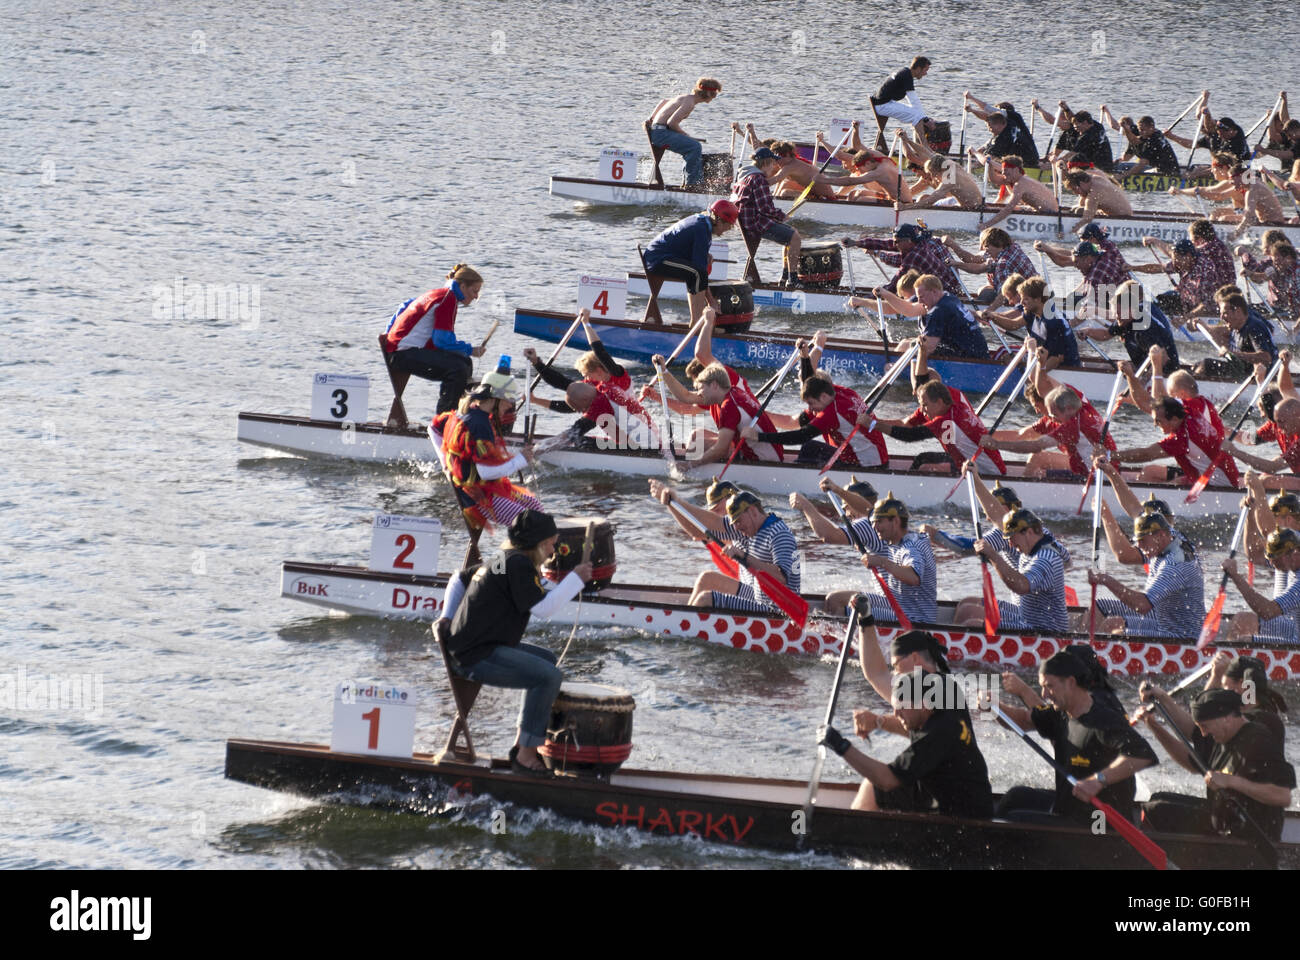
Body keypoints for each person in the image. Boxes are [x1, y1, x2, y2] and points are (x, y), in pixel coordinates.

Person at [438, 509, 593, 777]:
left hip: (471, 647)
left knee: (547, 661)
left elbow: (458, 579)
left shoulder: (503, 559)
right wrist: (576, 580)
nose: (554, 550)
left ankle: (522, 743)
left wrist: (446, 617)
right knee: (548, 677)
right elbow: (544, 609)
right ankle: (526, 755)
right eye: (552, 544)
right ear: (539, 543)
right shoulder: (518, 564)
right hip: (474, 656)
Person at [821, 620, 993, 818]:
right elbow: (880, 679)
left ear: (914, 659)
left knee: (877, 784)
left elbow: (888, 778)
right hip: (952, 785)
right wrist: (865, 623)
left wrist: (840, 745)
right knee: (874, 785)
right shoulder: (938, 689)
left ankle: (852, 839)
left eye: (895, 666)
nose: (893, 673)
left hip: (960, 812)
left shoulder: (938, 717)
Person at [997, 650, 1158, 824]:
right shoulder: (1060, 712)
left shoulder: (1102, 719)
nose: (1044, 695)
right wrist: (991, 707)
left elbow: (1143, 755)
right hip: (1069, 809)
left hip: (1099, 822)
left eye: (1049, 686)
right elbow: (1022, 720)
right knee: (1015, 796)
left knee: (1013, 821)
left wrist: (1099, 780)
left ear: (1071, 682)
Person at [1136, 688, 1293, 841]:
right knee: (1158, 798)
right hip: (1223, 817)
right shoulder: (1222, 736)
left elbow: (1283, 796)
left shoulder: (1258, 741)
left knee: (1157, 810)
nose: (1203, 734)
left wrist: (1232, 782)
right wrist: (1159, 706)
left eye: (1205, 726)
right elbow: (1190, 753)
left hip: (1249, 832)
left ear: (1226, 718)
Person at [649, 483, 800, 614]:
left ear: (753, 511)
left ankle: (684, 634)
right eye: (733, 522)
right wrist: (673, 504)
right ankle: (685, 623)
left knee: (705, 599)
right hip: (758, 595)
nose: (736, 527)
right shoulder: (748, 526)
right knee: (707, 579)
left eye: (738, 521)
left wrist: (744, 557)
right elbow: (699, 529)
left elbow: (781, 577)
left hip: (778, 609)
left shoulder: (779, 534)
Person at [790, 486, 936, 622]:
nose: (874, 527)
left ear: (896, 521)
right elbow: (868, 509)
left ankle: (847, 644)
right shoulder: (896, 536)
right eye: (873, 522)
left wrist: (881, 561)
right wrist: (836, 489)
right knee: (834, 599)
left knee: (853, 607)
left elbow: (913, 577)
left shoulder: (910, 547)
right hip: (895, 603)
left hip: (913, 617)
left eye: (878, 522)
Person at [524, 310, 658, 450]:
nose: (585, 379)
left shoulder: (618, 378)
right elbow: (563, 383)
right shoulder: (596, 388)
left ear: (598, 370)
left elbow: (601, 353)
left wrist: (586, 323)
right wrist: (536, 363)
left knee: (579, 440)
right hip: (627, 430)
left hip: (640, 438)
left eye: (586, 374)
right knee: (581, 436)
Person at [742, 343, 887, 467]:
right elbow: (793, 421)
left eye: (811, 403)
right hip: (873, 457)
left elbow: (801, 436)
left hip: (868, 465)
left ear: (823, 396)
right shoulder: (839, 392)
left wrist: (759, 436)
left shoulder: (832, 413)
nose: (810, 409)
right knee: (811, 449)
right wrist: (758, 412)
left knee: (809, 447)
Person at [433, 374, 542, 532]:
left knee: (534, 506)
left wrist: (446, 464)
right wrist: (521, 460)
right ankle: (519, 554)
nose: (509, 407)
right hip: (476, 496)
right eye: (507, 402)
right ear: (495, 399)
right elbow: (486, 473)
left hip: (477, 486)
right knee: (528, 522)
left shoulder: (467, 409)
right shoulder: (480, 424)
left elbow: (433, 428)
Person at [980, 350, 1113, 476]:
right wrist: (981, 434)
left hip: (1096, 473)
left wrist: (997, 445)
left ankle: (1020, 494)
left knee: (1037, 458)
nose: (1037, 411)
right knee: (1039, 462)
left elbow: (1036, 446)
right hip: (1086, 464)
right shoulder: (1067, 410)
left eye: (1036, 406)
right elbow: (1020, 435)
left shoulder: (1073, 421)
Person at [383, 264, 487, 415]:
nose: (476, 296)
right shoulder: (448, 298)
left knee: (464, 361)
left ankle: (457, 413)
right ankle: (444, 421)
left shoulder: (437, 293)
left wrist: (388, 335)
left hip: (397, 350)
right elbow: (441, 341)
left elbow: (403, 306)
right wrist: (471, 349)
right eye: (474, 291)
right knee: (457, 369)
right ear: (463, 286)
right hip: (402, 354)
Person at [954, 506, 1070, 633]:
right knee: (966, 606)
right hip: (1026, 615)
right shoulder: (1034, 545)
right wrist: (989, 556)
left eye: (1011, 537)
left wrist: (993, 555)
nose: (1010, 544)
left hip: (1045, 630)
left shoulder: (1046, 559)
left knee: (971, 624)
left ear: (1029, 532)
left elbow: (1021, 586)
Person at [1089, 512, 1206, 637]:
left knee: (1117, 633)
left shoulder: (1174, 565)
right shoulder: (1171, 538)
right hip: (1164, 623)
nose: (1139, 546)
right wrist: (1104, 512)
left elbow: (1142, 605)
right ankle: (1083, 646)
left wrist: (1106, 580)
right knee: (1109, 619)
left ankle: (1088, 654)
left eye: (1143, 541)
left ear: (1161, 535)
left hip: (1182, 636)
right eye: (1138, 540)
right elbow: (1134, 508)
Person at [873, 376, 1006, 475]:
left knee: (925, 466)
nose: (922, 410)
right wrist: (875, 421)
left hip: (987, 470)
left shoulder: (947, 421)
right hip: (966, 460)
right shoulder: (957, 403)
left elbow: (910, 436)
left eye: (925, 405)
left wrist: (874, 425)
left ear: (939, 402)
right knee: (922, 459)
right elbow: (906, 424)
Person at [642, 200, 739, 327]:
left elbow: (689, 249)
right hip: (657, 259)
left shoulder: (703, 222)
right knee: (697, 273)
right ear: (719, 221)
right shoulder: (701, 229)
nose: (728, 230)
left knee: (695, 273)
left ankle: (697, 322)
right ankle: (696, 323)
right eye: (729, 226)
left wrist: (705, 255)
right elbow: (701, 270)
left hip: (661, 255)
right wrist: (712, 302)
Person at [867, 274, 990, 359]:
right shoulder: (947, 296)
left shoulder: (940, 310)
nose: (919, 301)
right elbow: (909, 310)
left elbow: (929, 347)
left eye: (921, 296)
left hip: (969, 357)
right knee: (906, 343)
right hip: (974, 350)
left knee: (910, 345)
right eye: (918, 297)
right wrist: (886, 294)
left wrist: (898, 365)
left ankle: (891, 371)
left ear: (934, 292)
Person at [730, 145, 803, 288]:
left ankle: (785, 276)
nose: (774, 167)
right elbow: (765, 208)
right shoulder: (758, 179)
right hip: (755, 223)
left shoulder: (744, 177)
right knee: (795, 237)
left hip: (745, 222)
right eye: (772, 163)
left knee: (790, 234)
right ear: (765, 164)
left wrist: (778, 217)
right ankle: (792, 279)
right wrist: (782, 216)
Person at [1077, 279, 1181, 372]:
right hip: (1145, 367)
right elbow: (1106, 334)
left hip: (1165, 372)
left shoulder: (1144, 327)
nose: (1116, 317)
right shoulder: (1124, 319)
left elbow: (1162, 358)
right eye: (1115, 313)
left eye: (1118, 314)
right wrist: (1088, 331)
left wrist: (1142, 381)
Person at [1221, 525, 1300, 643]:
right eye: (1270, 559)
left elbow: (1268, 611)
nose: (1272, 564)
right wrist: (1250, 515)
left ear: (1293, 554)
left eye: (1276, 560)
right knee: (1241, 620)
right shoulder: (1290, 553)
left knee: (1244, 641)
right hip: (1293, 628)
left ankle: (1226, 660)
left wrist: (1236, 577)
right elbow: (1254, 555)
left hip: (1297, 645)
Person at [843, 223, 963, 296]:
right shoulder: (920, 241)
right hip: (951, 283)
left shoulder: (915, 256)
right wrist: (857, 243)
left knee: (902, 287)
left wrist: (867, 300)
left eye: (897, 242)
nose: (894, 245)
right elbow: (886, 244)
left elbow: (893, 285)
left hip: (947, 293)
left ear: (908, 241)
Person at [646, 77, 722, 189]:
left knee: (691, 147)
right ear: (708, 93)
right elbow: (671, 123)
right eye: (714, 93)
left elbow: (663, 102)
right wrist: (684, 134)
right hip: (661, 134)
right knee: (695, 147)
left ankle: (688, 182)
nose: (715, 97)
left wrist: (651, 118)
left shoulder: (685, 97)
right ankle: (693, 185)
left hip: (658, 131)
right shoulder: (690, 103)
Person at [1190, 288, 1278, 380]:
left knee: (1205, 365)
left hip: (1261, 376)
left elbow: (1266, 358)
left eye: (1225, 313)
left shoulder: (1253, 328)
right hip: (1242, 369)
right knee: (1195, 366)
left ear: (1238, 311)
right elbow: (1223, 340)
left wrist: (1234, 354)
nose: (1221, 317)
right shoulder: (1236, 327)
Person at [1131, 237, 1223, 321]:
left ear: (1188, 256)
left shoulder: (1204, 271)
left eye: (1177, 261)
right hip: (1187, 300)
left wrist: (1184, 319)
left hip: (1207, 309)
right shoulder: (1181, 261)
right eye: (1174, 260)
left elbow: (1207, 305)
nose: (1175, 265)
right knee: (1160, 301)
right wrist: (1133, 268)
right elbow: (1159, 268)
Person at [942, 227, 1038, 306]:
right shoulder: (1011, 247)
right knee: (983, 290)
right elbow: (976, 265)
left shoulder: (1002, 264)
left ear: (999, 245)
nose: (981, 249)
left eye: (985, 245)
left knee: (985, 295)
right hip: (1036, 289)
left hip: (1029, 298)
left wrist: (989, 311)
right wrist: (956, 263)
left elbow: (1003, 296)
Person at [974, 155, 1059, 231]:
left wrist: (986, 225)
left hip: (1051, 215)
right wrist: (990, 167)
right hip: (1044, 212)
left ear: (1015, 170)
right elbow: (994, 179)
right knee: (1015, 208)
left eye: (1006, 171)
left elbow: (1008, 209)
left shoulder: (1020, 184)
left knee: (1012, 208)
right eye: (1003, 171)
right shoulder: (1015, 178)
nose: (1003, 173)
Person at [869, 56, 933, 143]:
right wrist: (925, 119)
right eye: (925, 70)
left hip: (883, 103)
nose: (926, 74)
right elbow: (914, 100)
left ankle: (921, 147)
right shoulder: (907, 76)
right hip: (882, 106)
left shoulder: (905, 73)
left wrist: (923, 118)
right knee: (917, 116)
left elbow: (912, 100)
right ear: (918, 69)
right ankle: (924, 148)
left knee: (917, 114)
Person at [1100, 110, 1181, 176]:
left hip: (1168, 172)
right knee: (1118, 166)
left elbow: (1142, 163)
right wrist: (1126, 129)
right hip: (1156, 168)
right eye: (1139, 130)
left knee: (1130, 169)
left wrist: (1123, 176)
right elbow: (1134, 140)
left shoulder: (1155, 139)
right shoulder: (1141, 132)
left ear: (1151, 128)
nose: (1140, 132)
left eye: (1142, 130)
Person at [1059, 166, 1132, 235]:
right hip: (1122, 213)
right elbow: (1082, 204)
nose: (1075, 193)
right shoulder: (1094, 179)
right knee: (1077, 209)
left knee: (1079, 211)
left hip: (1123, 218)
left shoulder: (1094, 192)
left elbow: (1087, 219)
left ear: (1081, 183)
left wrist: (1068, 234)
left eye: (1074, 189)